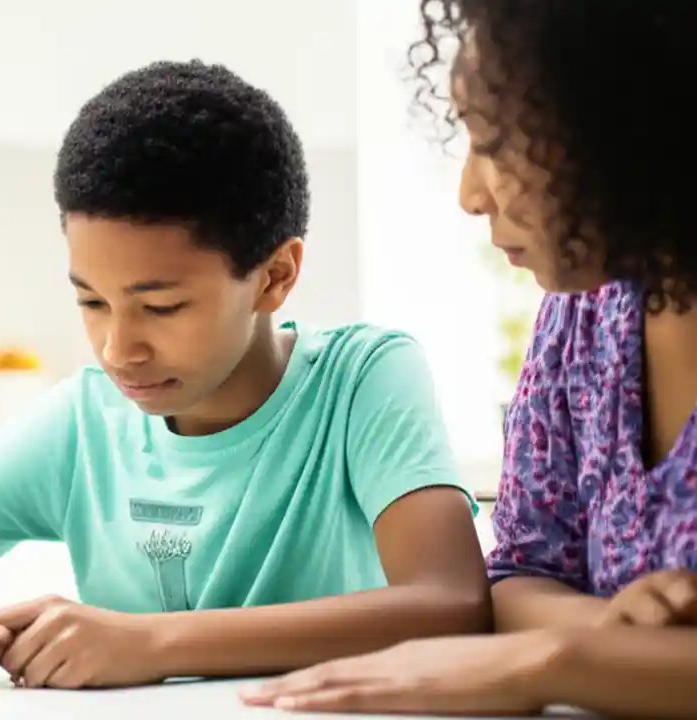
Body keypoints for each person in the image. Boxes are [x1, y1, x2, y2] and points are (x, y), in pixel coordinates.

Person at [0, 59, 488, 690]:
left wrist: (153, 642)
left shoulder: (365, 378)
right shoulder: (84, 424)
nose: (119, 349)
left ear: (275, 276)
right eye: (91, 301)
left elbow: (453, 604)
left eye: (162, 306)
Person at [241, 2, 697, 717]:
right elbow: (520, 578)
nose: (469, 194)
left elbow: (534, 635)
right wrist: (614, 642)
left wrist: (554, 660)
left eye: (496, 140)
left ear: (630, 120)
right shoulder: (580, 318)